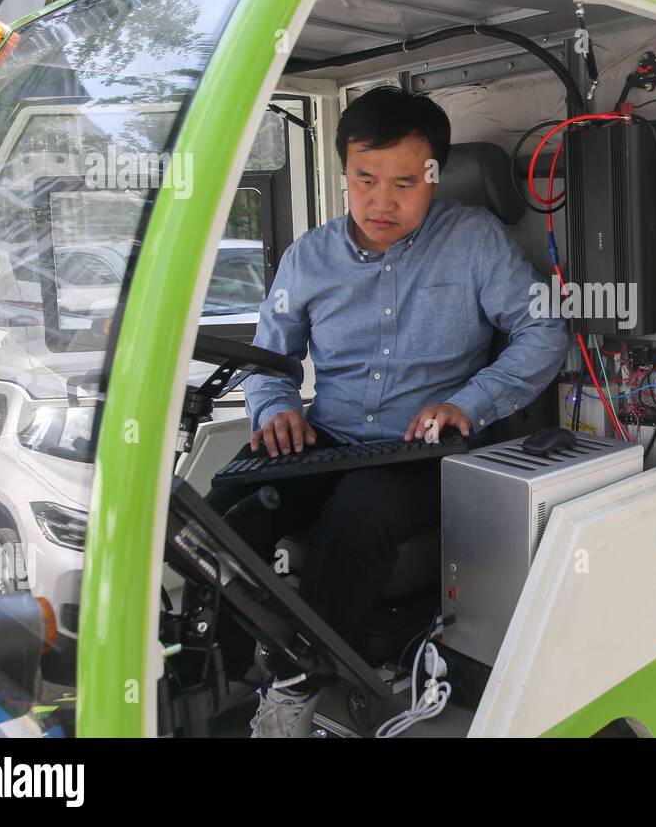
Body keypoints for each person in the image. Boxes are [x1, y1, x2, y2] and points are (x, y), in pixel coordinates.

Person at [215, 86, 569, 736]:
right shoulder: (309, 257)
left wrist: (468, 401)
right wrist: (276, 407)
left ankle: (296, 689)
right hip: (328, 436)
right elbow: (270, 359)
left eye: (405, 182)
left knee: (360, 508)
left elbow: (544, 333)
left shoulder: (474, 241)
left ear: (434, 174)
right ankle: (233, 668)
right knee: (223, 509)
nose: (382, 201)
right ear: (344, 172)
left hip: (425, 448)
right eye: (364, 179)